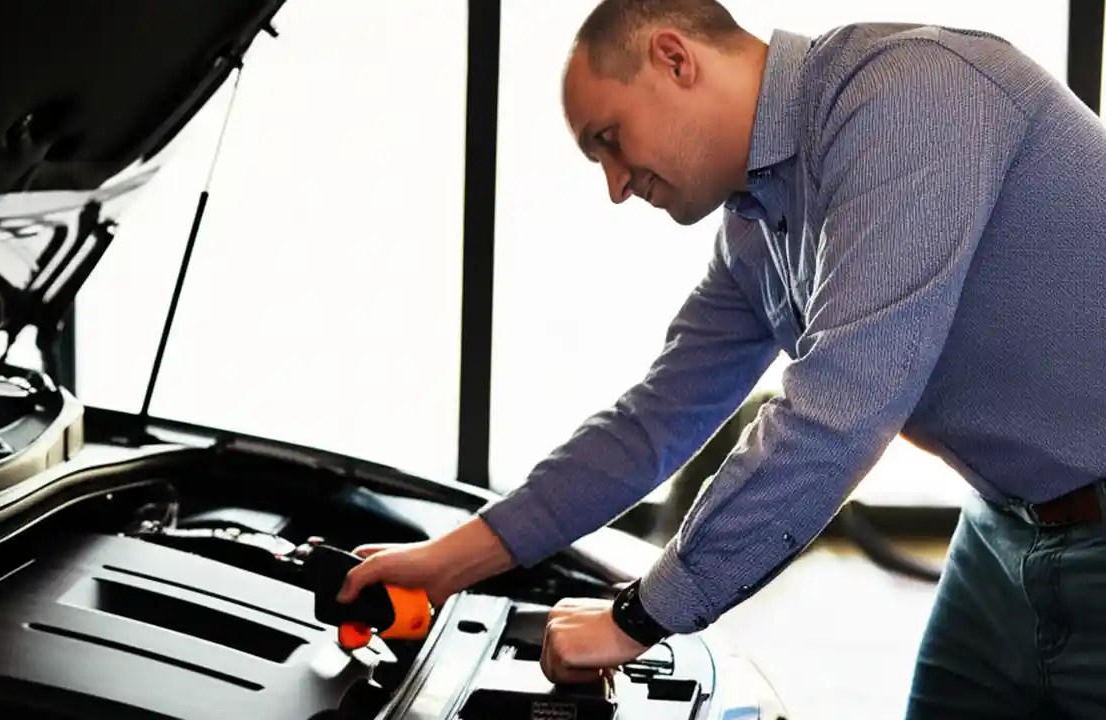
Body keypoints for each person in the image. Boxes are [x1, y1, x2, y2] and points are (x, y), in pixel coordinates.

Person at [338, 0, 1106, 716]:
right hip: (1002, 535)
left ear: (675, 59)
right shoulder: (754, 234)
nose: (614, 187)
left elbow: (840, 412)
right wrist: (447, 561)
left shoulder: (911, 98)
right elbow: (653, 422)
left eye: (609, 140)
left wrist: (638, 617)